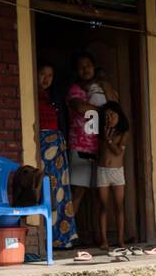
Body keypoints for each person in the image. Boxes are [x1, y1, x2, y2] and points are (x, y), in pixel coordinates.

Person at [66, 52, 118, 246]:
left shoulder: (100, 88)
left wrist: (105, 86)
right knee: (78, 192)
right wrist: (105, 111)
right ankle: (67, 236)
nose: (85, 68)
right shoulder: (74, 89)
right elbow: (81, 108)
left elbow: (115, 106)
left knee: (100, 195)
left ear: (94, 67)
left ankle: (100, 236)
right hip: (80, 146)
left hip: (101, 148)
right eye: (81, 66)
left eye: (88, 64)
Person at [36, 62, 77, 249]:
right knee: (44, 190)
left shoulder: (55, 98)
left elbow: (63, 123)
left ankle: (61, 238)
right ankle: (43, 239)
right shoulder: (32, 96)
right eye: (42, 74)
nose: (46, 79)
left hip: (57, 148)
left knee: (59, 192)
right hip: (40, 148)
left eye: (50, 75)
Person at [95, 100, 131, 250]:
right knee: (103, 206)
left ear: (119, 117)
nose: (109, 118)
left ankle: (120, 240)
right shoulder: (100, 132)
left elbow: (118, 152)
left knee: (119, 207)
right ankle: (104, 241)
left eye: (112, 115)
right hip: (102, 171)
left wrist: (108, 139)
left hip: (117, 172)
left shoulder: (123, 133)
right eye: (107, 115)